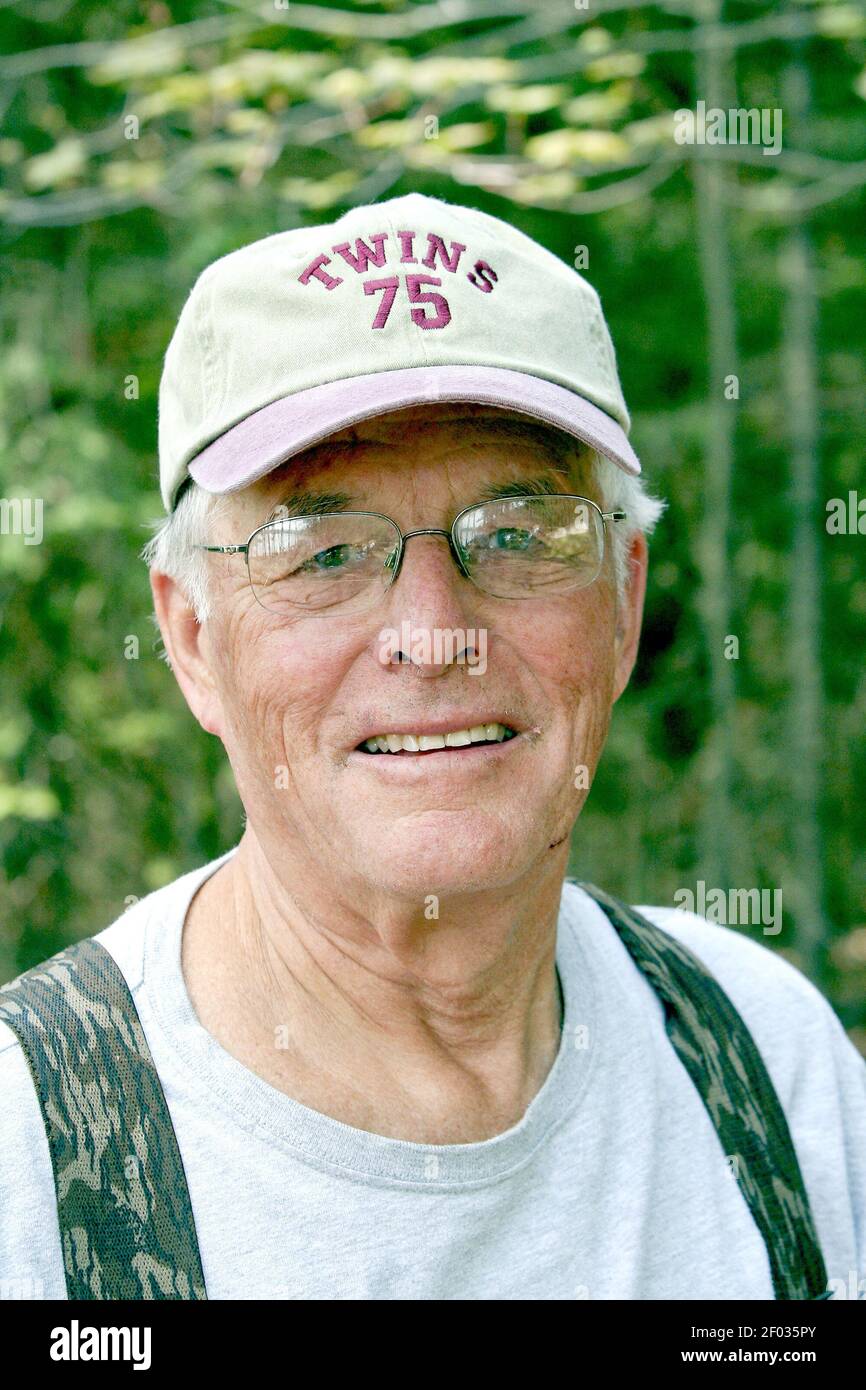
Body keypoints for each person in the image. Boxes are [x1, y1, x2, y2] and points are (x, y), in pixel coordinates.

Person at [1, 193, 864, 1302]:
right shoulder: (41, 1159)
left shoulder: (766, 1069)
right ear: (192, 640)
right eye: (320, 554)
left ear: (621, 605)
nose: (431, 634)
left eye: (515, 535)